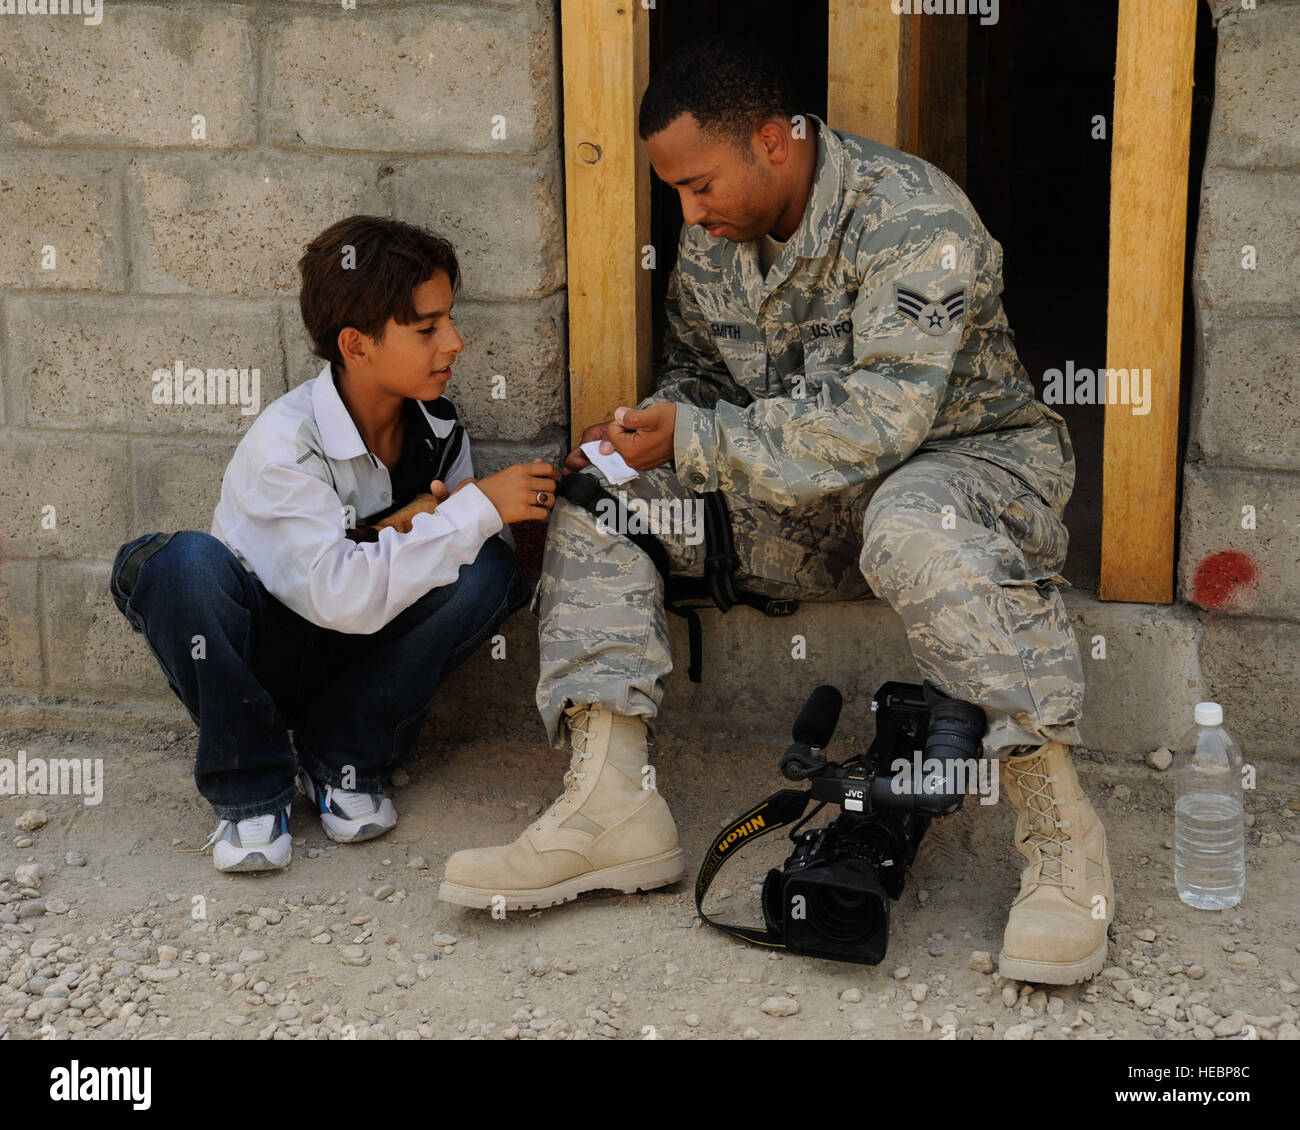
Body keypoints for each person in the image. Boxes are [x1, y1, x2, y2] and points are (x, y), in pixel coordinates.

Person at [440, 35, 1112, 986]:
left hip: (961, 474)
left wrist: (702, 440)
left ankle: (1059, 832)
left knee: (914, 521)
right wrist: (648, 430)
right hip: (809, 506)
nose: (688, 210)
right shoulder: (718, 237)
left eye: (700, 185)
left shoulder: (914, 217)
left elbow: (885, 417)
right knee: (604, 493)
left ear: (772, 141)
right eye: (674, 191)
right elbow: (701, 372)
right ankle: (609, 804)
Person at [109, 216, 557, 873]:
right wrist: (472, 508)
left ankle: (344, 757)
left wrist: (474, 516)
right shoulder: (287, 444)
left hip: (366, 668)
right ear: (357, 344)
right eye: (428, 328)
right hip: (266, 659)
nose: (455, 343)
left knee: (489, 564)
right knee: (181, 566)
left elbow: (444, 558)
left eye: (449, 320)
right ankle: (252, 788)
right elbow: (338, 594)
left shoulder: (438, 429)